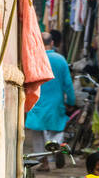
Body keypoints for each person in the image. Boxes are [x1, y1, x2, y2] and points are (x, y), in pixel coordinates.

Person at [24, 31, 74, 166]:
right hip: (55, 103)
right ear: (52, 43)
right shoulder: (60, 60)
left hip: (36, 102)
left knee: (37, 134)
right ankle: (56, 148)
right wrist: (71, 101)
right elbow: (68, 84)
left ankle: (44, 162)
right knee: (57, 130)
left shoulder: (33, 58)